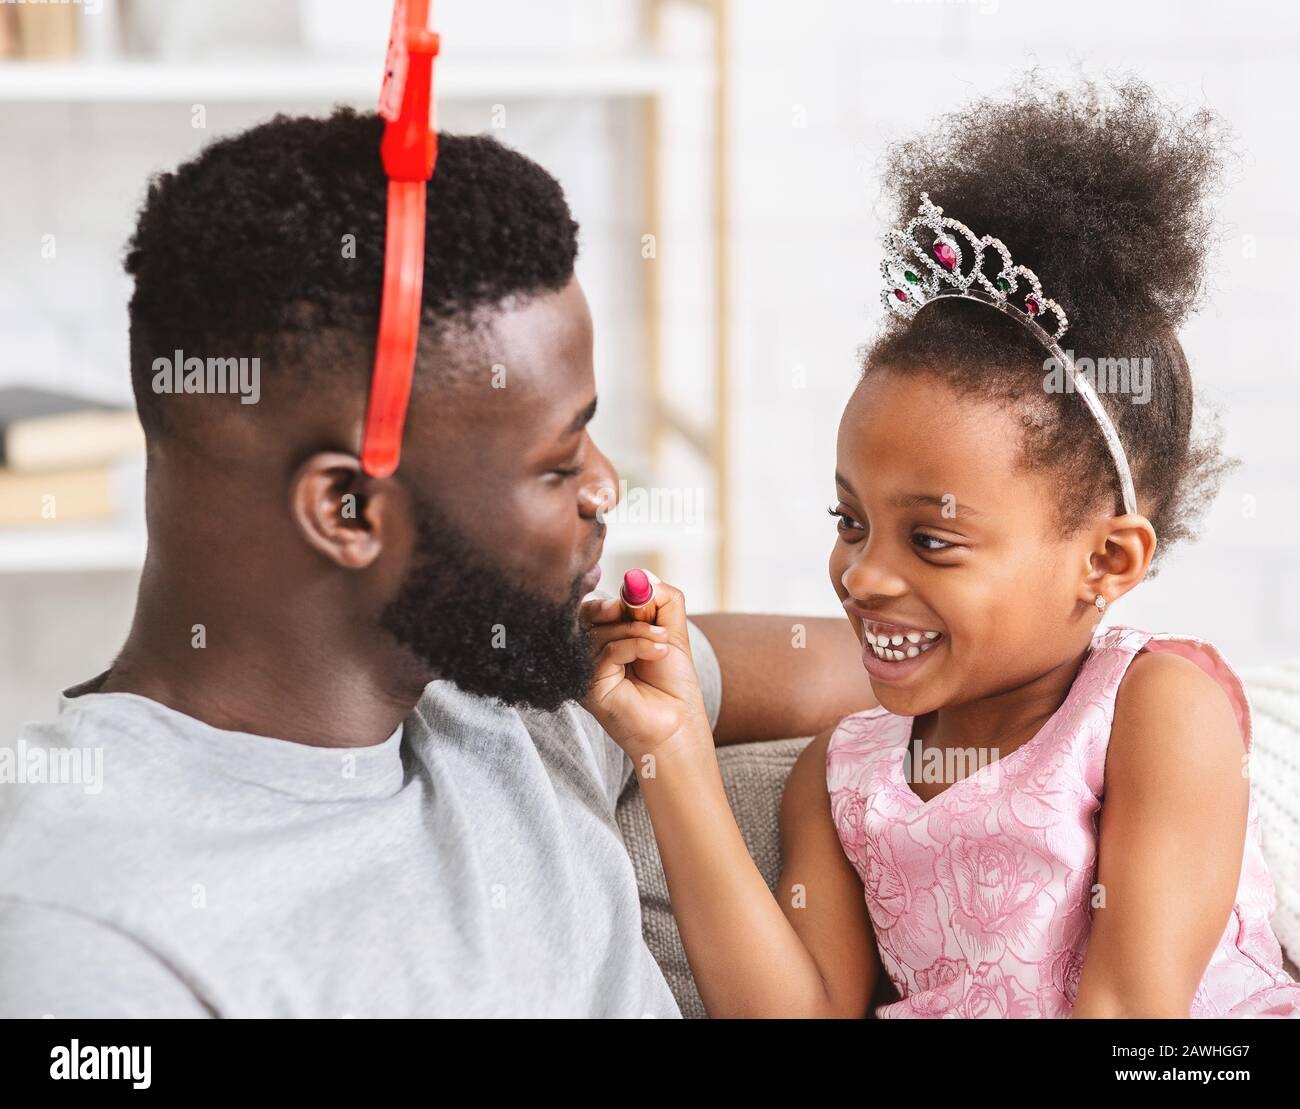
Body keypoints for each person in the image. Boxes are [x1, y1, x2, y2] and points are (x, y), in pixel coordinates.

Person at [0, 110, 876, 1018]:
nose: (606, 487)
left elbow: (908, 662)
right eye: (560, 460)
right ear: (348, 510)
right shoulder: (86, 931)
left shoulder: (525, 692)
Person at [581, 74, 1300, 1018]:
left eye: (932, 538)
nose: (863, 574)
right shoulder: (840, 775)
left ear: (1107, 561)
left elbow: (1133, 1015)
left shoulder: (1156, 711)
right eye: (850, 522)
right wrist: (670, 747)